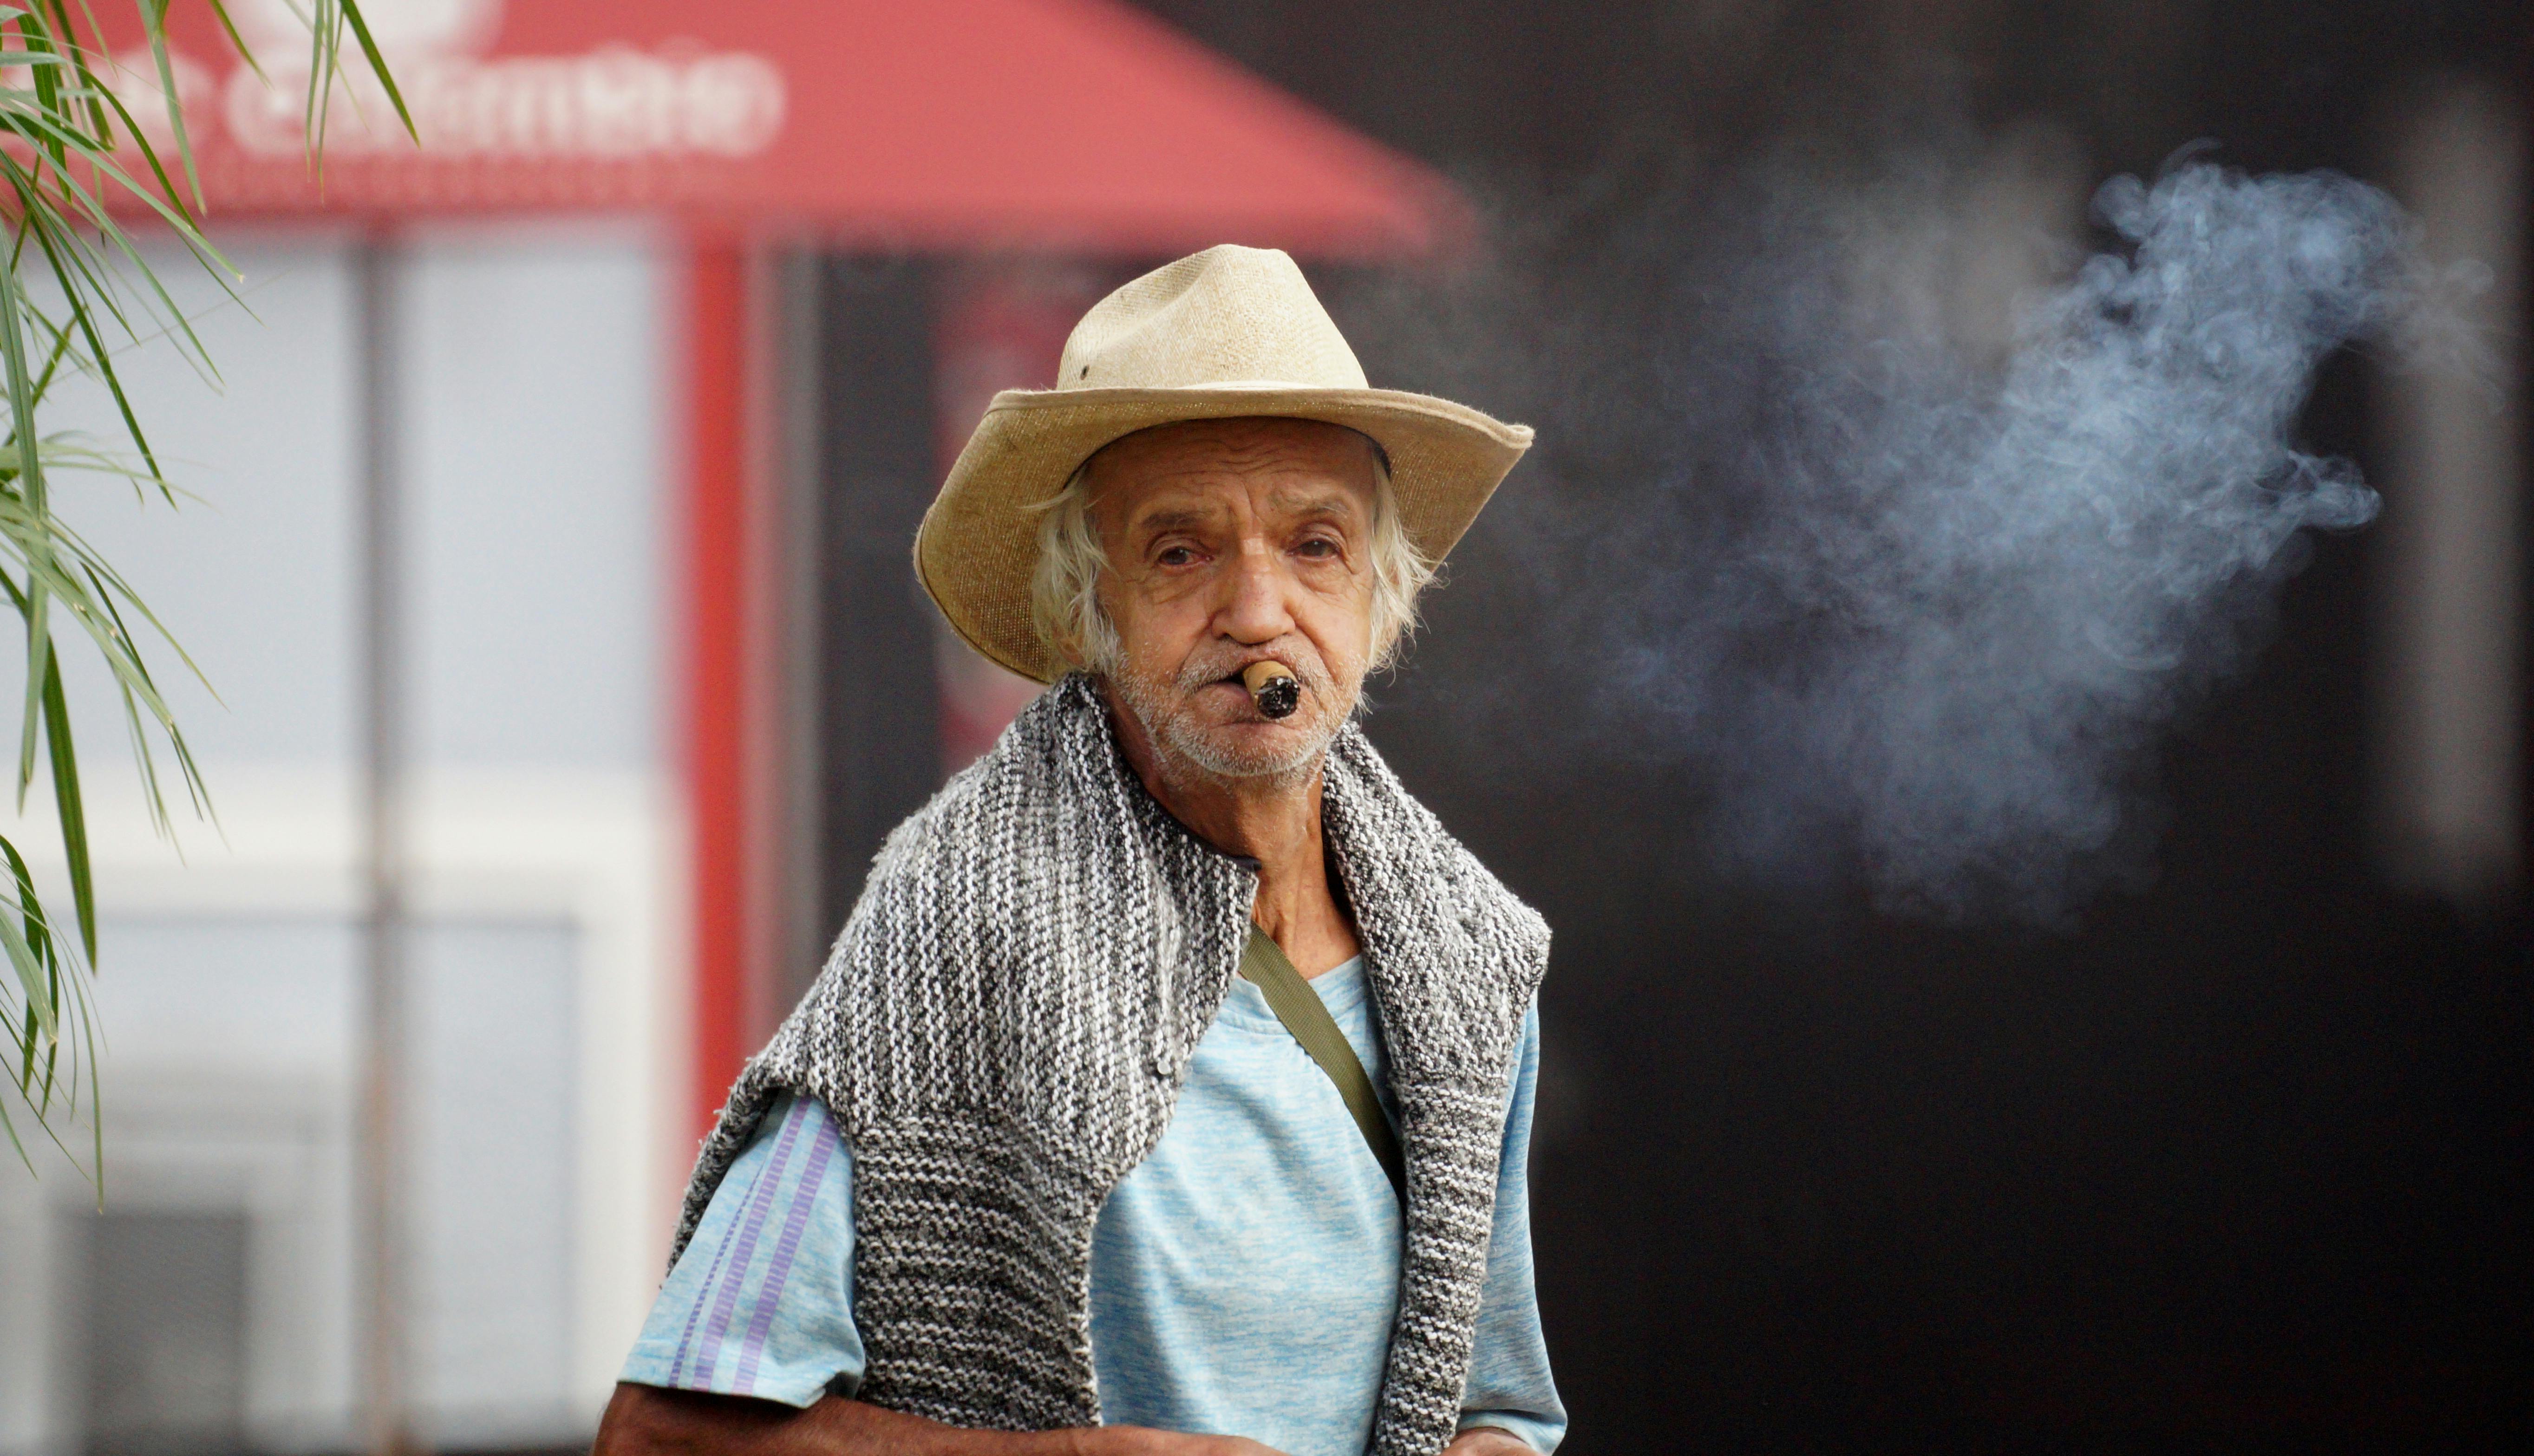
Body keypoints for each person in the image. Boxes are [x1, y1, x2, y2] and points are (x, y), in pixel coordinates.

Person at [594, 245, 1561, 1456]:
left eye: (1315, 545)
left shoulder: (1469, 962)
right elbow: (660, 1438)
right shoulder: (959, 930)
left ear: (1379, 595)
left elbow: (1497, 1413)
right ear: (1085, 609)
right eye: (1180, 551)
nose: (1260, 612)